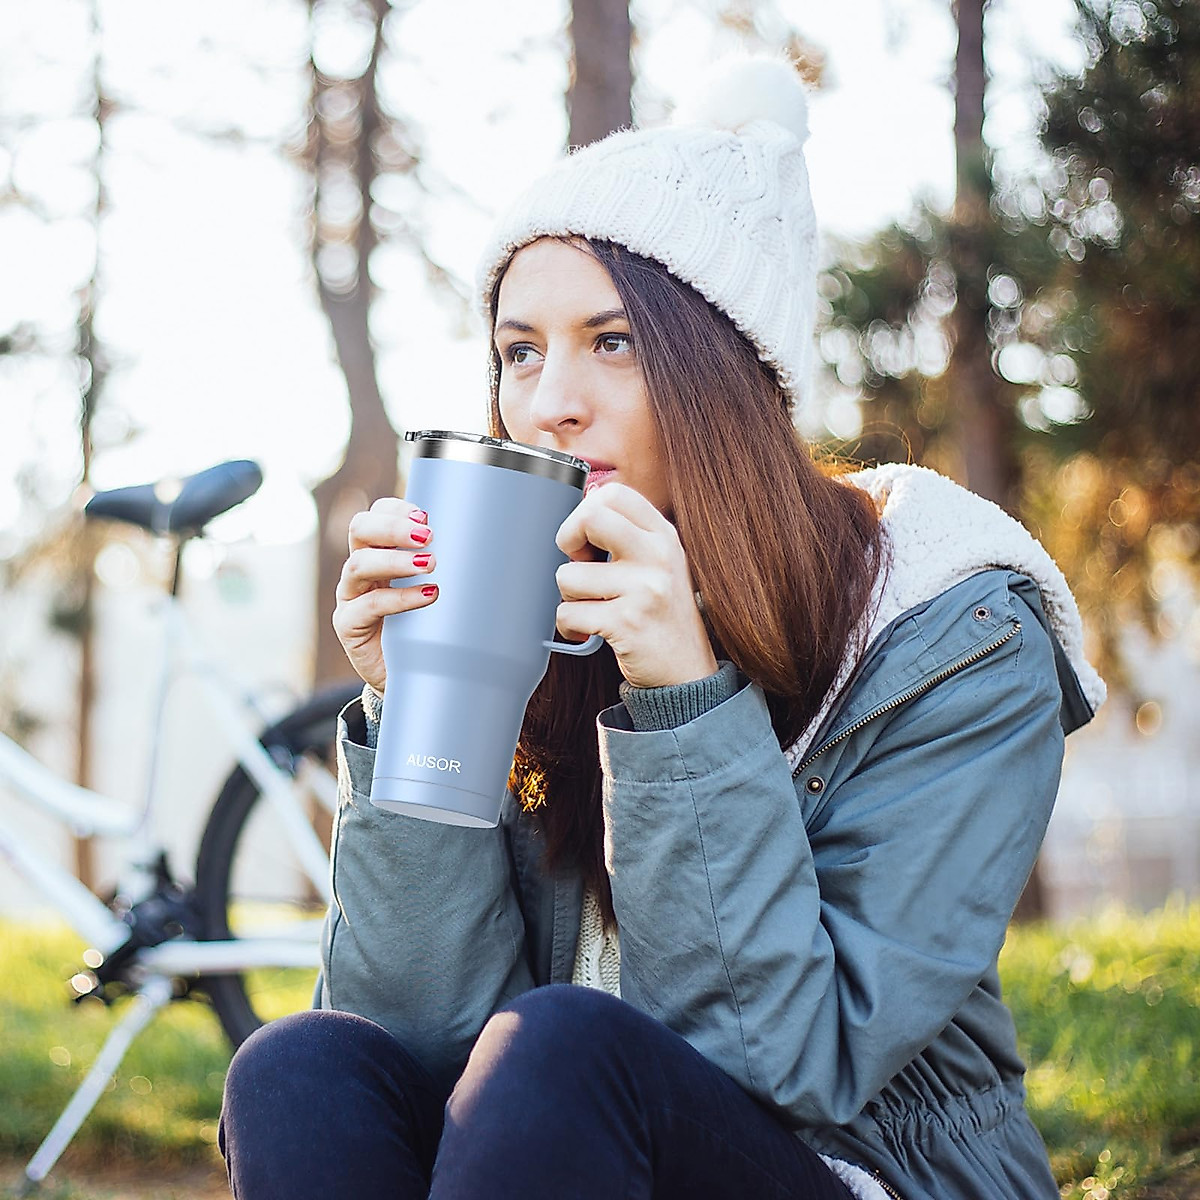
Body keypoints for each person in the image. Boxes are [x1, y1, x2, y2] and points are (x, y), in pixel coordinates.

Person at [218, 57, 1105, 1200]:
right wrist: (421, 715)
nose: (549, 402)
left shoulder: (955, 636)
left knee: (565, 1046)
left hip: (848, 1171)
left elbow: (786, 1069)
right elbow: (420, 1042)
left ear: (723, 369)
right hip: (558, 1146)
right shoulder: (543, 616)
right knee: (302, 1066)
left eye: (615, 341)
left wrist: (685, 701)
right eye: (520, 350)